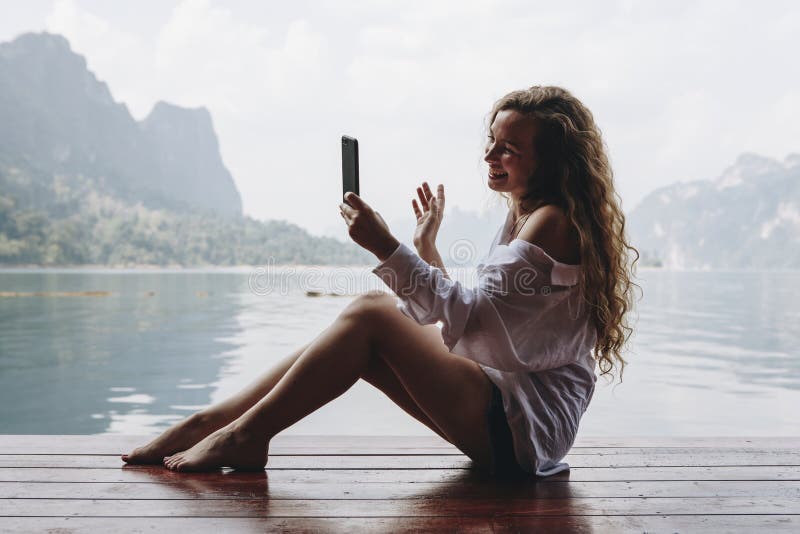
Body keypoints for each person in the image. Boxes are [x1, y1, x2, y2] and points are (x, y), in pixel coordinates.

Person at [122, 85, 638, 476]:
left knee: (371, 312)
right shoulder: (528, 214)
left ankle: (239, 433)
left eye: (509, 149)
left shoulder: (551, 221)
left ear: (550, 161)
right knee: (363, 340)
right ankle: (219, 425)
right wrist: (426, 248)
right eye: (491, 142)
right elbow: (483, 321)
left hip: (525, 429)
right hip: (511, 415)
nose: (489, 156)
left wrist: (383, 246)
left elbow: (474, 324)